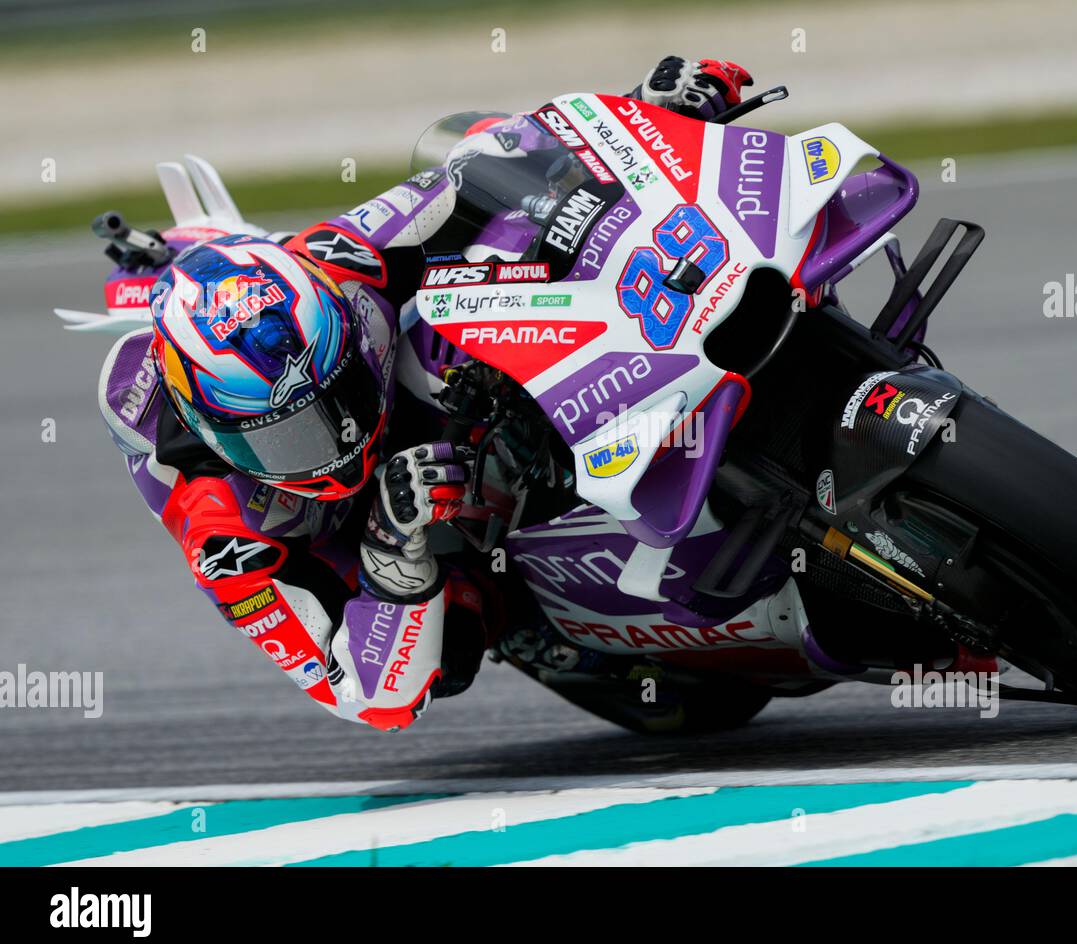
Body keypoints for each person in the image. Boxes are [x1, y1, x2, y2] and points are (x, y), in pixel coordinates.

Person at [96, 57, 753, 731]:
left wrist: (650, 110)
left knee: (491, 267)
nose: (343, 444)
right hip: (353, 538)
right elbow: (365, 696)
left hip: (371, 360)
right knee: (454, 639)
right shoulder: (222, 530)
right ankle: (532, 624)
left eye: (343, 395)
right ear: (220, 433)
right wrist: (388, 550)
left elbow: (496, 163)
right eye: (295, 436)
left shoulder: (342, 261)